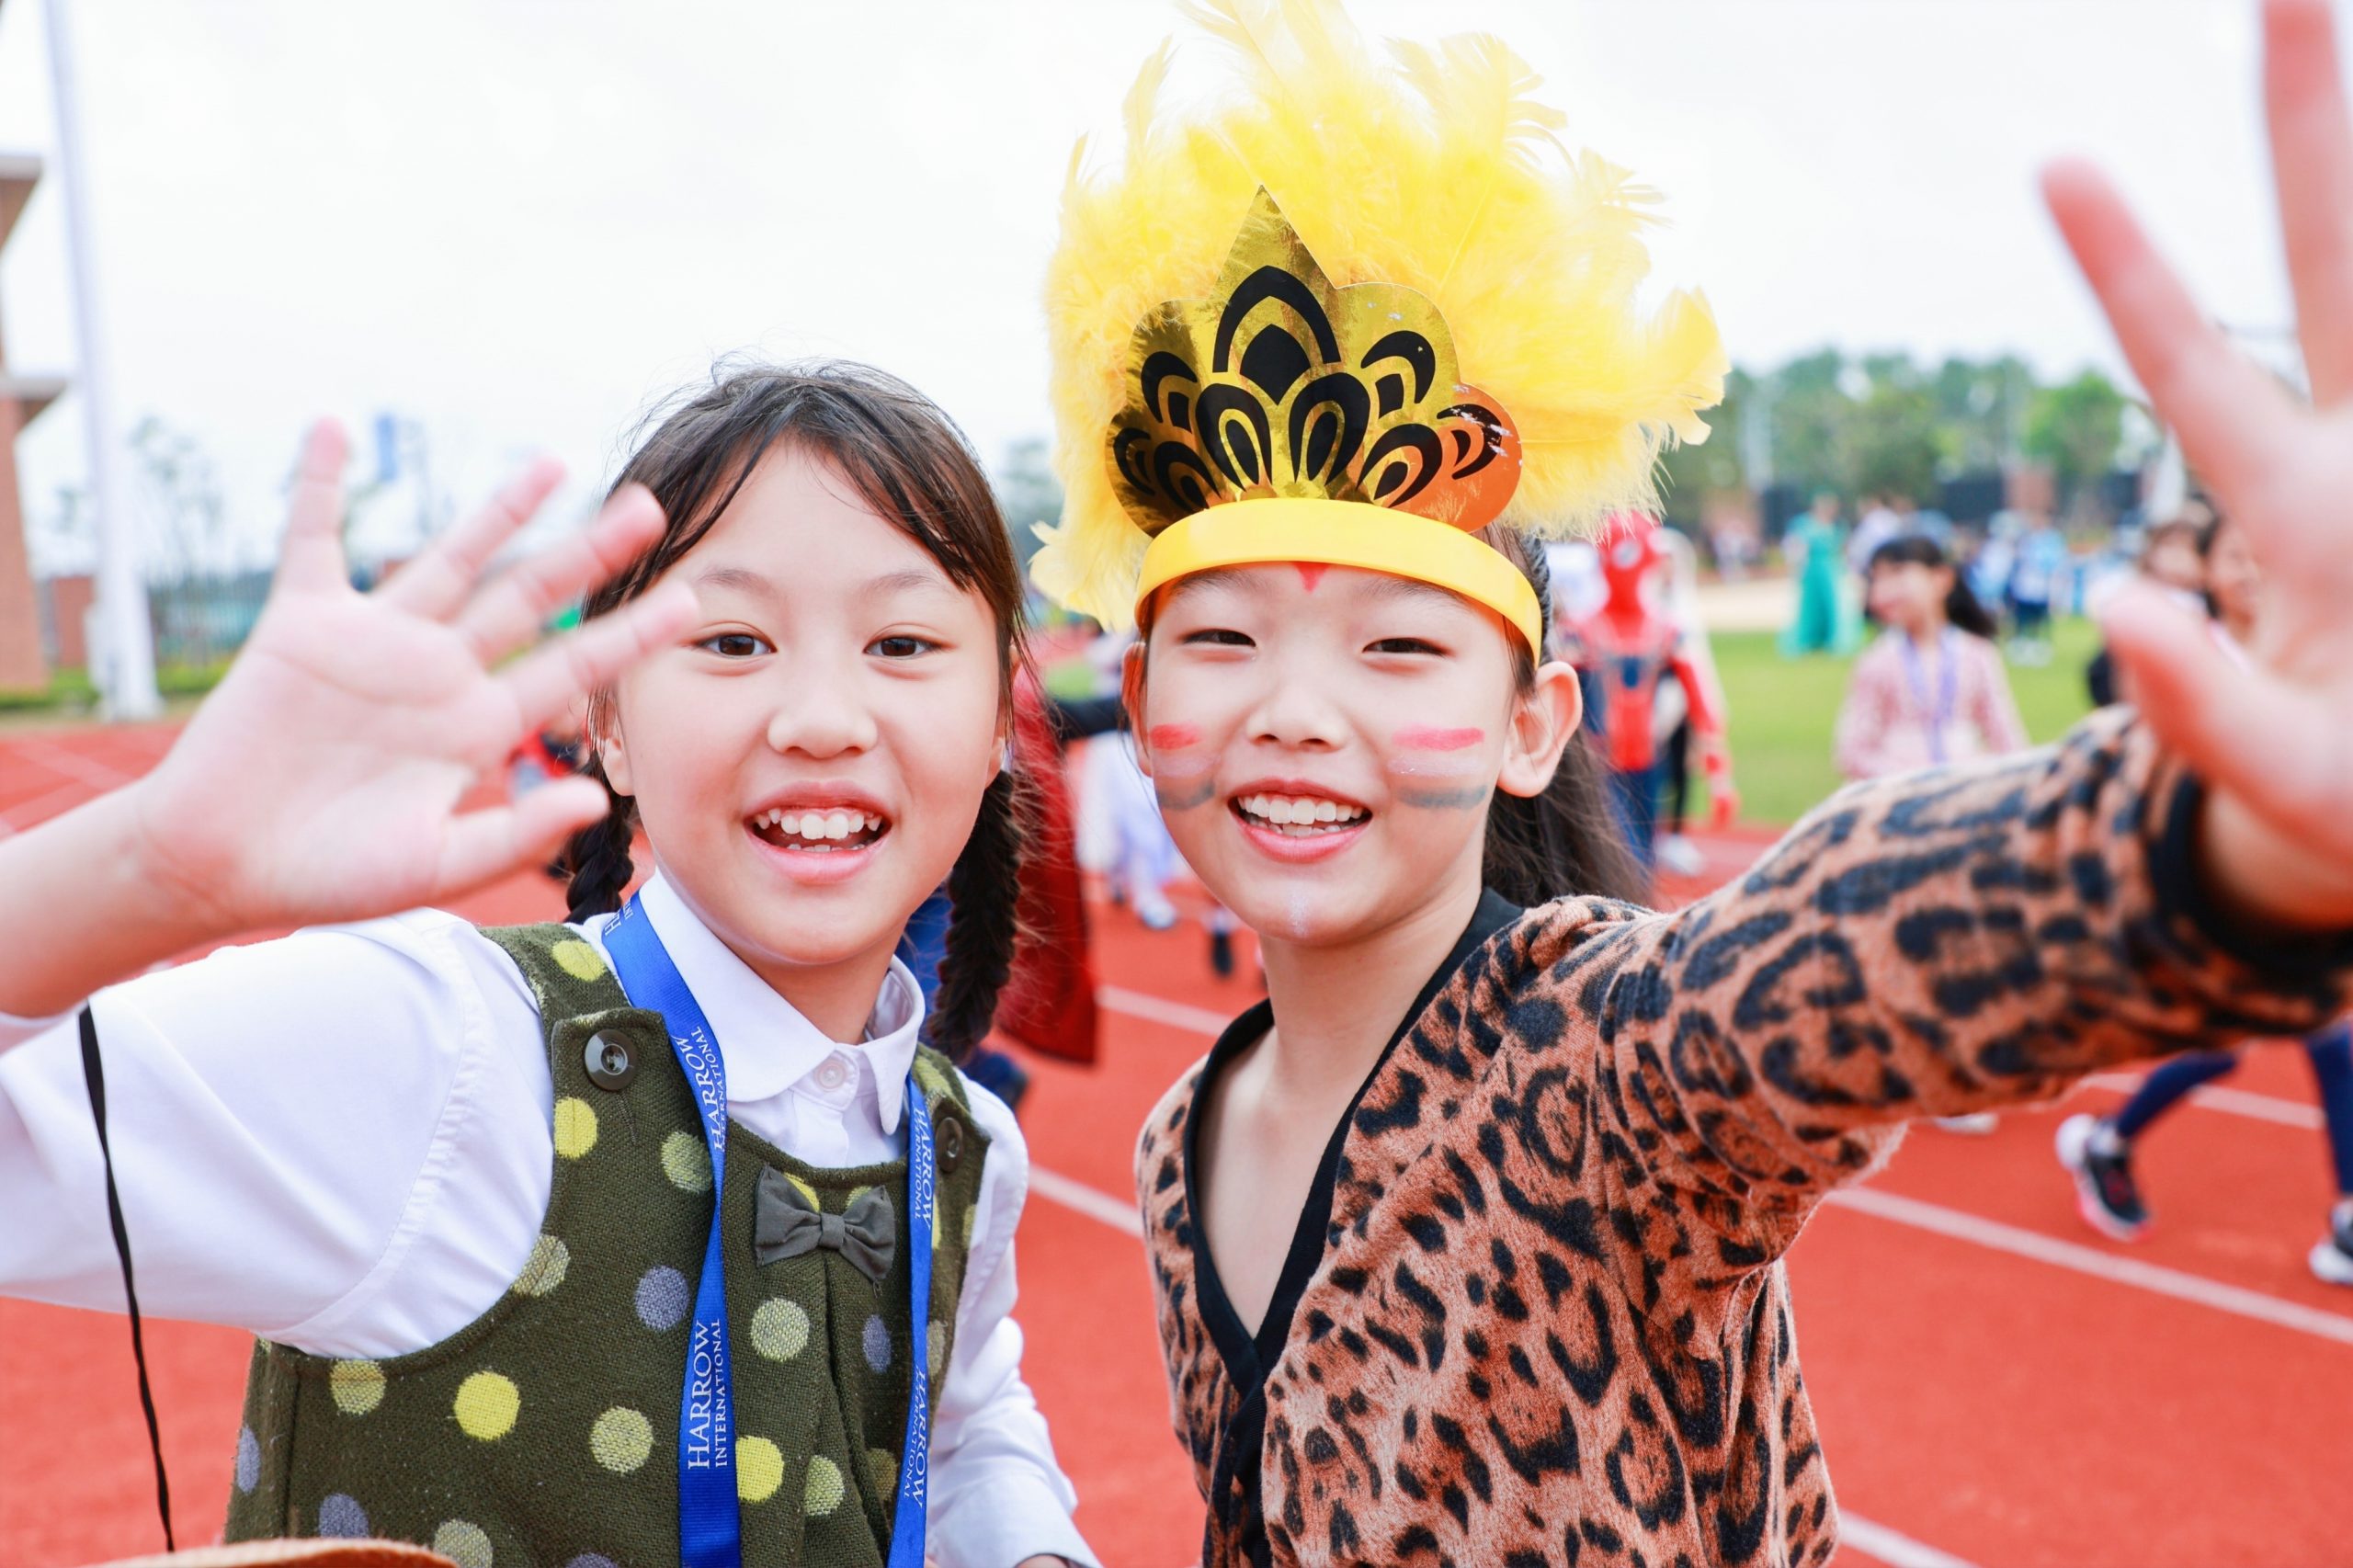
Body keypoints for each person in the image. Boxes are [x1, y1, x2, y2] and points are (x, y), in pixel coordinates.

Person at [1033, 2, 2353, 1563]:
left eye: (1395, 647)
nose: (1297, 711)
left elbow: (1842, 950)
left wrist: (2217, 849)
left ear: (1536, 723)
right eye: (1229, 638)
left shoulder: (1606, 1063)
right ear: (1138, 697)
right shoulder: (1178, 1139)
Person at [0, 365, 1092, 1567]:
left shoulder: (966, 1142)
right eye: (733, 639)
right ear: (606, 722)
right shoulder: (454, 1055)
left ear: (1001, 719)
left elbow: (967, 1417)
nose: (822, 715)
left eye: (903, 640)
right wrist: (148, 867)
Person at [2058, 506, 2353, 1284]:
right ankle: (2107, 1142)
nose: (2254, 569)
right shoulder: (2192, 657)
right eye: (2234, 555)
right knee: (2222, 1052)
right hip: (2202, 886)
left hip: (2295, 886)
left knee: (2333, 1045)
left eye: (2265, 554)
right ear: (2205, 567)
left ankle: (2350, 1217)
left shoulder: (2308, 655)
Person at [1834, 534, 2028, 782]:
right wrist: (1914, 781)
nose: (1884, 590)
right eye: (1877, 578)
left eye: (1897, 573)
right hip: (1898, 802)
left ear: (1941, 579)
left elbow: (2007, 738)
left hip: (1963, 797)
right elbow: (1853, 752)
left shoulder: (1977, 654)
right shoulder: (1877, 661)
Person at [1780, 489, 1847, 654]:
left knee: (1829, 604)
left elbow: (1841, 547)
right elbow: (1793, 546)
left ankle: (1828, 639)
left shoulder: (1835, 525)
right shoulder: (1803, 524)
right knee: (1810, 605)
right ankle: (1809, 639)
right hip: (1812, 569)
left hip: (1829, 568)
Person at [2006, 508, 2070, 664]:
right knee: (2023, 616)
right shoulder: (2027, 538)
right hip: (2026, 586)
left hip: (2043, 586)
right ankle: (2022, 644)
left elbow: (2059, 564)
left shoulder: (2053, 540)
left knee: (2040, 617)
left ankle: (2038, 644)